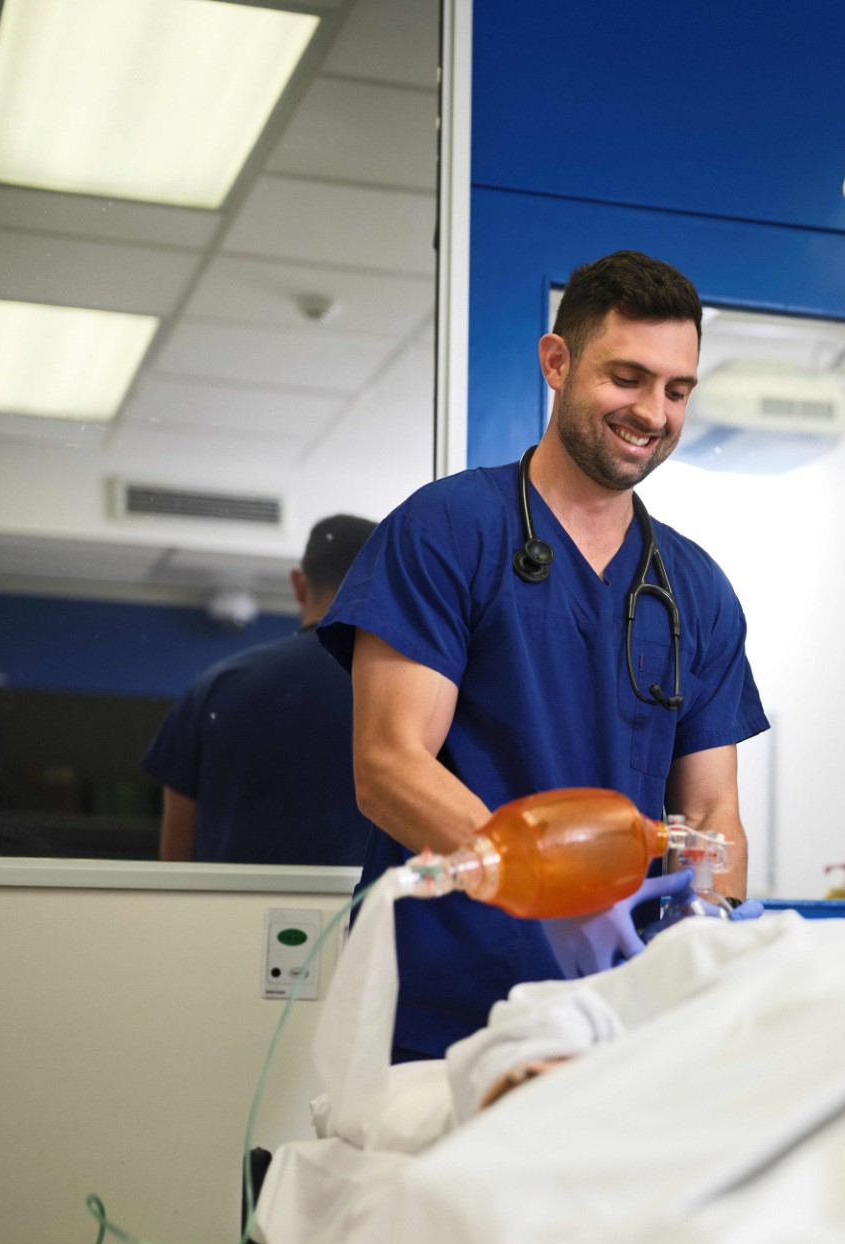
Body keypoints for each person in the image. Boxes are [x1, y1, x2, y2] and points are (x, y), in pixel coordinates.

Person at [319, 250, 768, 1061]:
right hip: (444, 1007)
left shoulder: (695, 589)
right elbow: (388, 767)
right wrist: (558, 892)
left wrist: (709, 919)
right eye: (627, 378)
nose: (653, 412)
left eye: (677, 390)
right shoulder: (448, 530)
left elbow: (711, 812)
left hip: (618, 1017)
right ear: (557, 363)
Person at [145, 514, 379, 866]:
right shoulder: (413, 696)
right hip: (374, 901)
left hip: (229, 902)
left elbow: (174, 863)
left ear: (298, 584)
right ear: (385, 587)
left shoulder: (215, 687)